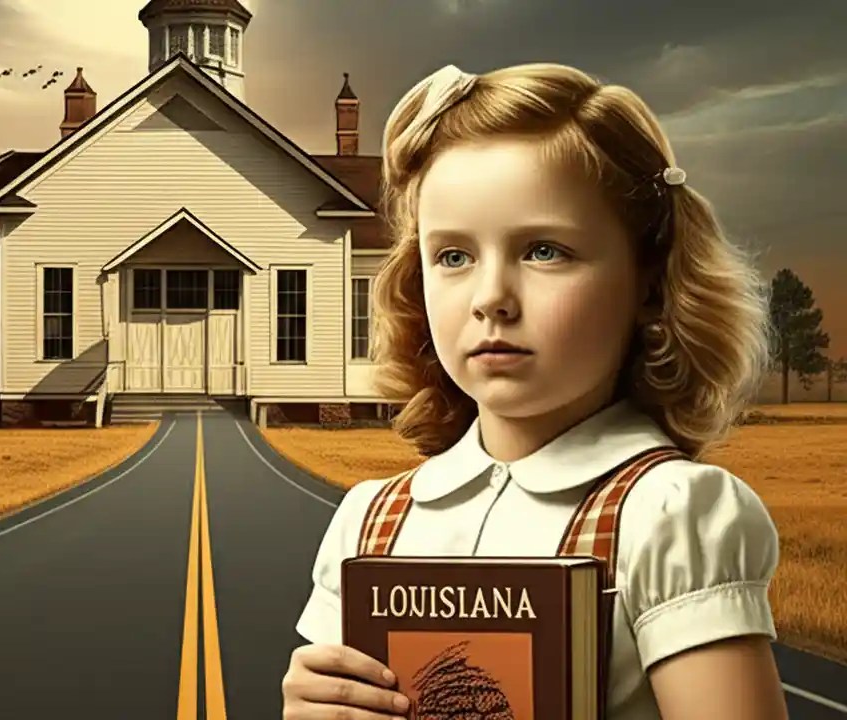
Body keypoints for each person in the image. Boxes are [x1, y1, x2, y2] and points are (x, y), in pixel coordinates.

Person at [281, 62, 789, 720]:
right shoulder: (369, 524)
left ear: (650, 279)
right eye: (454, 256)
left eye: (544, 251)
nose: (492, 297)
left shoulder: (667, 516)